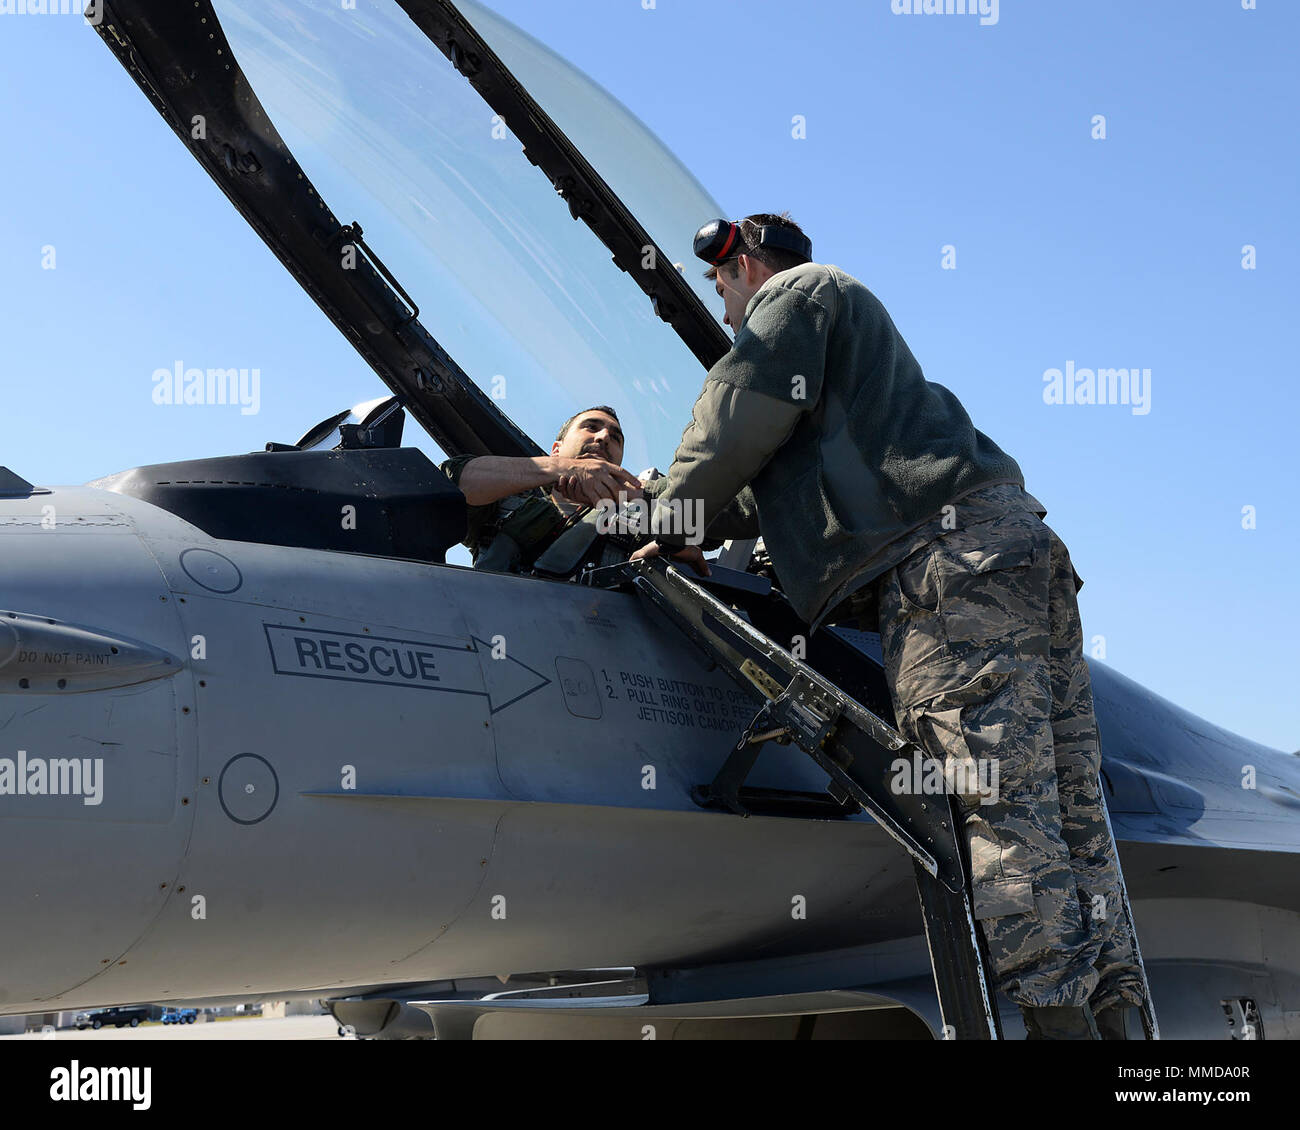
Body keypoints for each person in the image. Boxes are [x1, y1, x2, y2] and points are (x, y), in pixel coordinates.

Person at [633, 213, 1147, 1039]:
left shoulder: (799, 293)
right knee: (1069, 816)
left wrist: (654, 514)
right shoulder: (845, 351)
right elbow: (760, 477)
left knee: (995, 813)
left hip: (949, 575)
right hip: (1006, 551)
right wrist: (684, 517)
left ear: (741, 266)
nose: (727, 315)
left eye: (722, 293)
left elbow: (734, 421)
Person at [441, 405, 641, 571]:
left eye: (615, 438)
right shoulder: (509, 501)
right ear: (556, 450)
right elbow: (451, 482)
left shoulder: (635, 519)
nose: (604, 437)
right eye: (591, 427)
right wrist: (567, 468)